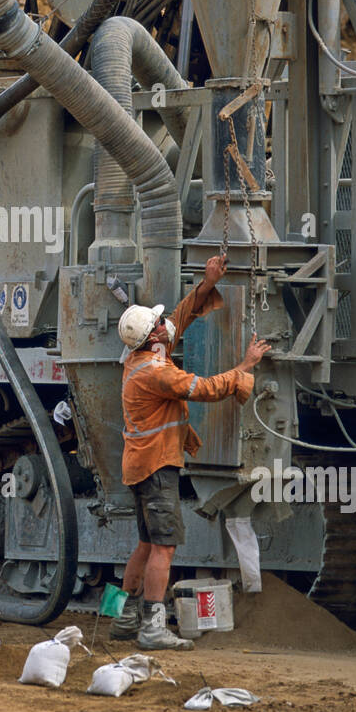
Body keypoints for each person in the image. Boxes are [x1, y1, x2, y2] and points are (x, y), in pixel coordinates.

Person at [113, 255, 271, 651]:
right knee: (164, 546)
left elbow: (180, 317)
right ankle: (151, 628)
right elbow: (204, 388)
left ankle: (125, 618)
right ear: (153, 337)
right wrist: (245, 367)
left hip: (140, 465)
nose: (167, 324)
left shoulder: (143, 356)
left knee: (147, 544)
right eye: (160, 323)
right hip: (156, 467)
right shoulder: (157, 373)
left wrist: (207, 282)